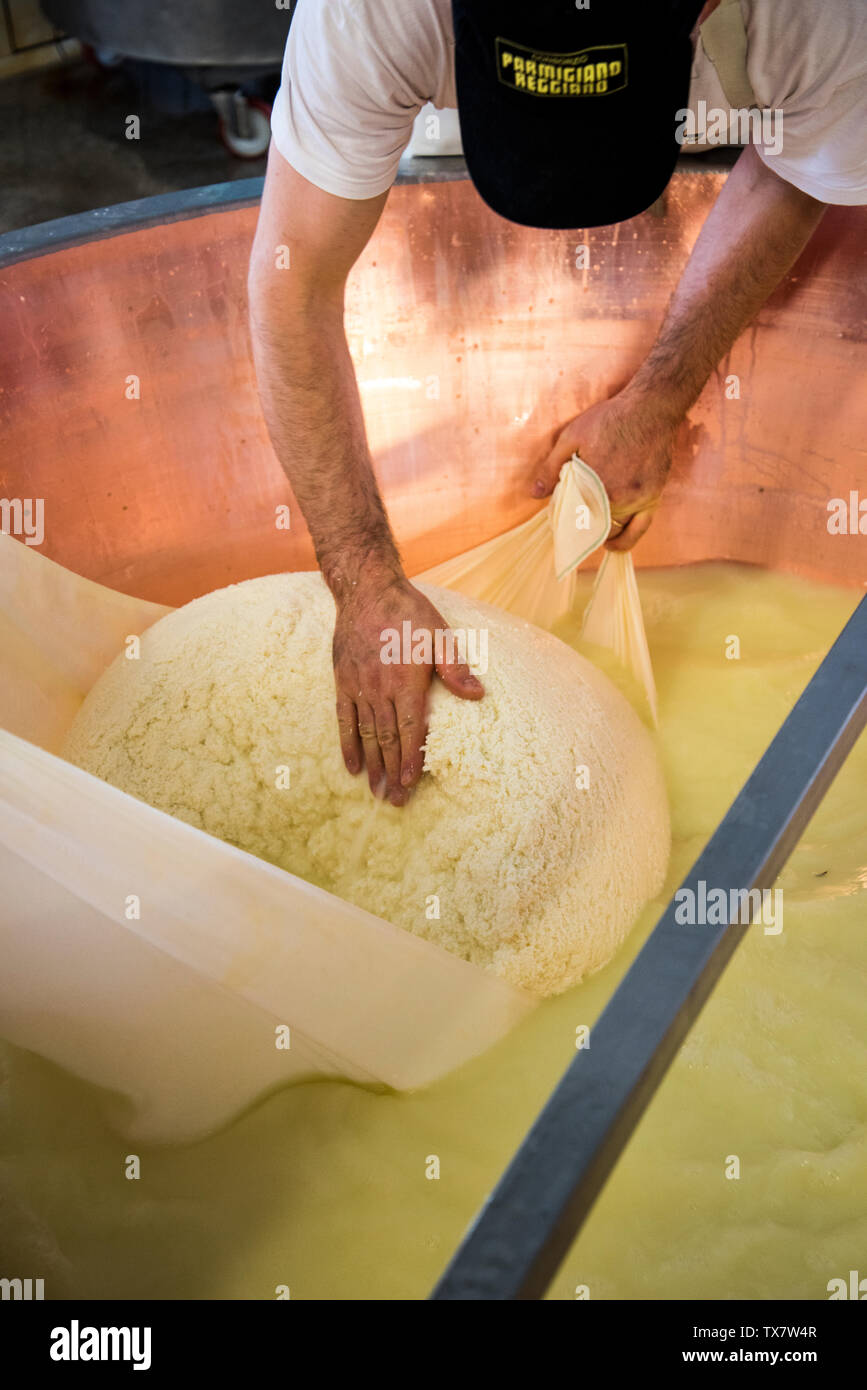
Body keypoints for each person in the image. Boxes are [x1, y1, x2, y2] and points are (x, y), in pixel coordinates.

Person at [248, 0, 866, 806]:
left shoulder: (817, 17)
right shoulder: (368, 15)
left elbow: (796, 161)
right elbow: (293, 284)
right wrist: (365, 581)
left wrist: (659, 399)